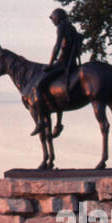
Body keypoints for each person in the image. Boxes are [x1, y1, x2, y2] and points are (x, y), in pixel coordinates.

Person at [30, 8, 82, 137]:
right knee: (55, 89)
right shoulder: (72, 28)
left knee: (38, 86)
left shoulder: (61, 28)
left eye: (53, 18)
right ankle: (58, 124)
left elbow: (57, 46)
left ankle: (41, 121)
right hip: (72, 63)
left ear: (57, 17)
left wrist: (50, 63)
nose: (52, 21)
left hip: (62, 63)